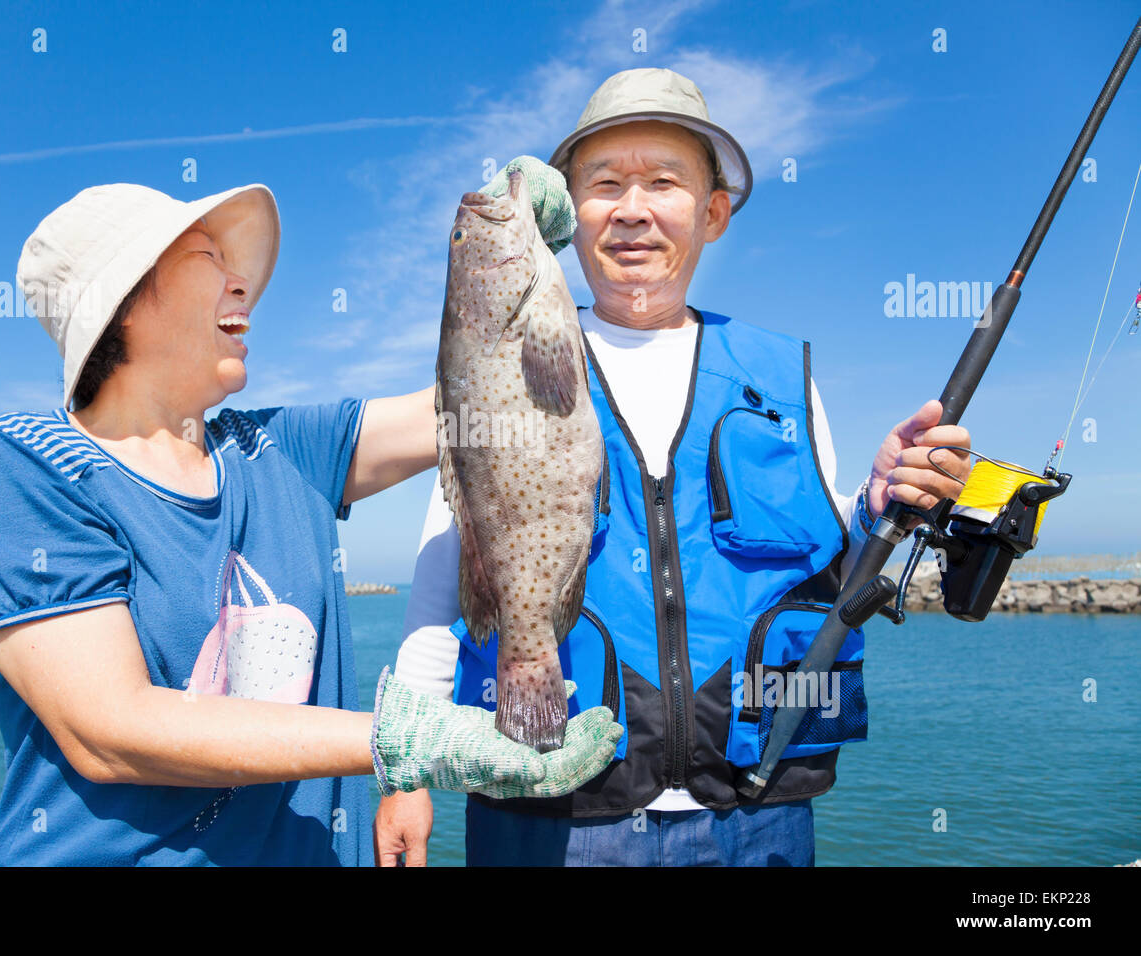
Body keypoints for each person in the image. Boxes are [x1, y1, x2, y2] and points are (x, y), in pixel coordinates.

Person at [375, 68, 973, 866]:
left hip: (757, 814)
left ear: (713, 212)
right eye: (604, 184)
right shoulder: (502, 353)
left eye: (663, 182)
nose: (631, 209)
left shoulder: (776, 373)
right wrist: (405, 768)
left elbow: (824, 552)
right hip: (550, 813)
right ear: (569, 211)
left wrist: (879, 499)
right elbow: (452, 557)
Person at [0, 181, 622, 866]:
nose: (242, 284)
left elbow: (493, 397)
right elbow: (111, 730)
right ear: (122, 306)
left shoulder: (281, 449)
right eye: (207, 257)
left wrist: (523, 249)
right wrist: (407, 739)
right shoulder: (18, 464)